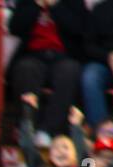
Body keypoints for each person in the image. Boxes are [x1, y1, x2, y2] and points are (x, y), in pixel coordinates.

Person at [7, 0, 87, 143]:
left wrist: (55, 6)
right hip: (33, 54)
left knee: (70, 72)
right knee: (25, 69)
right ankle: (28, 128)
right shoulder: (28, 3)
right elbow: (15, 27)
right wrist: (36, 6)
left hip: (64, 55)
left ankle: (48, 131)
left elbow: (79, 28)